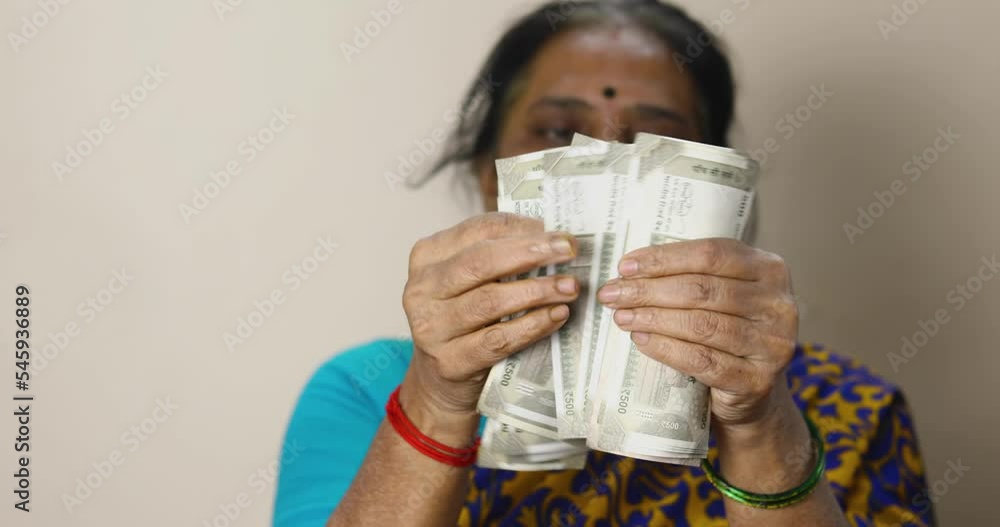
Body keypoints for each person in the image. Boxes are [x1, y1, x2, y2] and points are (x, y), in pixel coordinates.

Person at [274, 1, 934, 525]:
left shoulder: (851, 407)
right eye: (561, 130)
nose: (606, 162)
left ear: (722, 195)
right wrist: (435, 400)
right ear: (488, 178)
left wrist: (761, 431)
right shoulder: (367, 388)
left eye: (658, 137)